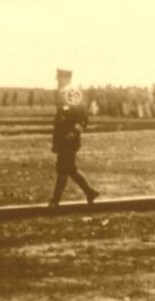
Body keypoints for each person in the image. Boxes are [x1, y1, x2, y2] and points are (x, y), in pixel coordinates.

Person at [49, 69, 99, 207]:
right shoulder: (62, 94)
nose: (58, 81)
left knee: (62, 169)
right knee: (69, 169)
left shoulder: (72, 94)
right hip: (62, 138)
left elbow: (82, 118)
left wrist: (73, 133)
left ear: (67, 79)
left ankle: (55, 201)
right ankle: (90, 192)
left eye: (60, 79)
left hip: (69, 139)